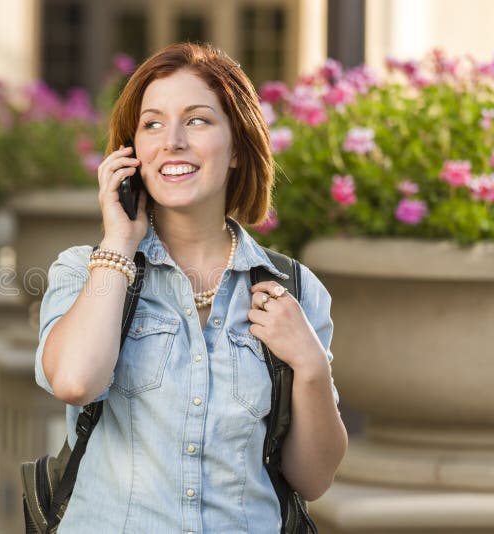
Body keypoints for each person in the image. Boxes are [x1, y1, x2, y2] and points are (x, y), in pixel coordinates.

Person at [34, 42, 347, 533]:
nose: (172, 141)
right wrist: (119, 240)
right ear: (131, 154)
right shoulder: (84, 271)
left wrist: (308, 364)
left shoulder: (295, 291)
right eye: (152, 124)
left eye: (197, 120)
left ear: (239, 148)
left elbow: (313, 478)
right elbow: (75, 381)